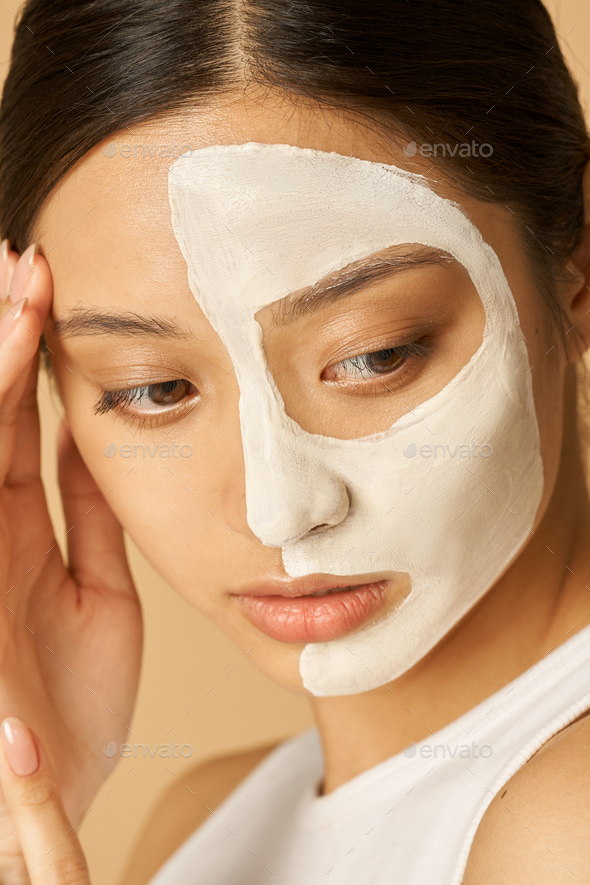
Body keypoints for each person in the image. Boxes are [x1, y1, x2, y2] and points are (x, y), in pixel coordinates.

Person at [0, 0, 589, 882]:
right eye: (152, 389)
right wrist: (22, 817)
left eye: (373, 355)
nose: (279, 507)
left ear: (577, 270)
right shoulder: (201, 822)